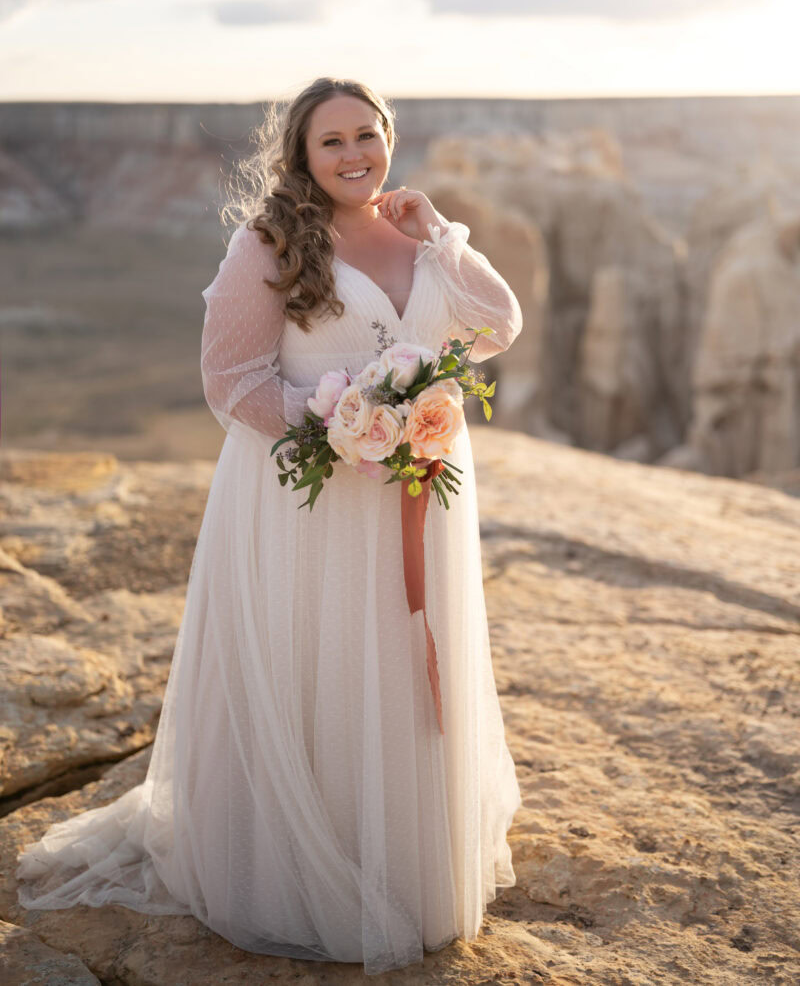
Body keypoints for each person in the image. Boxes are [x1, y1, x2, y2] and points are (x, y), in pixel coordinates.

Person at [15, 77, 524, 976]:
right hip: (313, 499)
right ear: (301, 154)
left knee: (400, 664)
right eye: (332, 141)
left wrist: (438, 233)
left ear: (390, 137)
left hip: (419, 488)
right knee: (321, 658)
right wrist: (343, 425)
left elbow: (499, 324)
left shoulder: (420, 237)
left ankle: (400, 863)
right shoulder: (271, 243)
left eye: (368, 134)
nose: (354, 153)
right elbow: (233, 380)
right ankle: (290, 870)